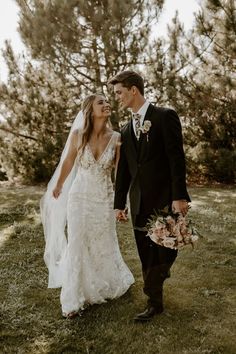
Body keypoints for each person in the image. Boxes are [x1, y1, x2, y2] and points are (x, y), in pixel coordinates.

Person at [40, 94, 134, 318]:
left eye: (107, 101)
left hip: (104, 197)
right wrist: (59, 185)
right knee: (78, 242)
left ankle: (104, 281)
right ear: (90, 110)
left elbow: (120, 174)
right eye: (100, 102)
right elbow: (69, 161)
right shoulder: (78, 135)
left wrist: (122, 203)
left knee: (103, 240)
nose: (107, 104)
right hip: (79, 197)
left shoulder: (117, 137)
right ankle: (73, 298)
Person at [109, 70, 190, 322]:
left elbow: (176, 159)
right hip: (138, 201)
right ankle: (154, 301)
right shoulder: (124, 129)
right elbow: (123, 171)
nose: (117, 98)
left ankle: (158, 276)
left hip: (164, 198)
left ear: (134, 90)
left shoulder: (165, 116)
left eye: (119, 92)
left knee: (168, 249)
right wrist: (119, 204)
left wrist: (179, 196)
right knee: (146, 252)